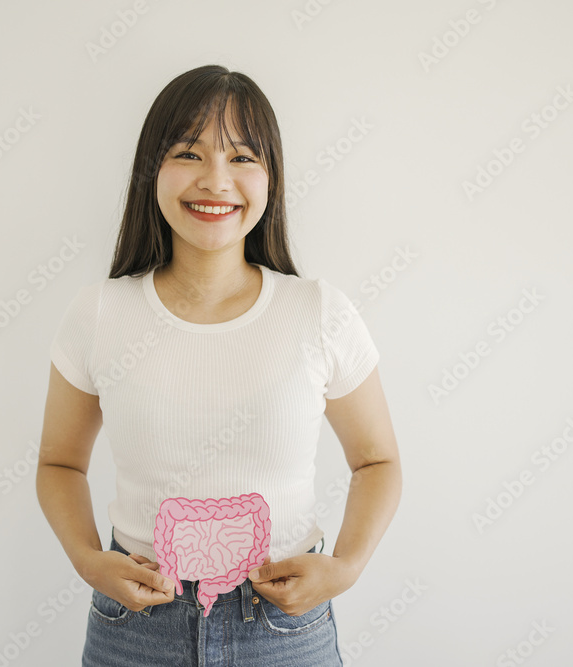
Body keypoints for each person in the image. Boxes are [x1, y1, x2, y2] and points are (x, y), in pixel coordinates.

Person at [36, 64, 402, 666]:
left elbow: (377, 460)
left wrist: (347, 566)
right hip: (135, 627)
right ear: (152, 169)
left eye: (242, 157)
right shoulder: (101, 312)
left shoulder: (318, 312)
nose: (215, 180)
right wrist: (87, 559)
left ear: (270, 177)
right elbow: (59, 463)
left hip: (284, 629)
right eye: (188, 153)